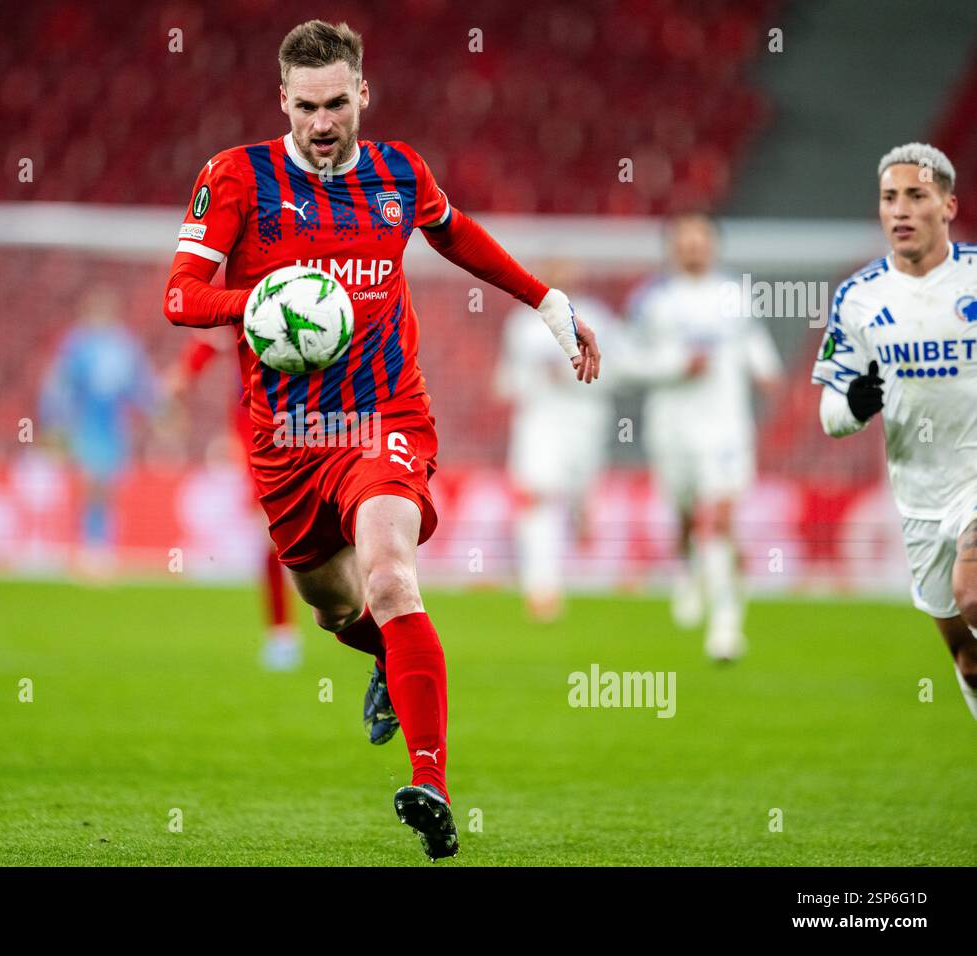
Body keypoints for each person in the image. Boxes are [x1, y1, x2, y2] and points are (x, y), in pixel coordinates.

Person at [162, 20, 600, 860]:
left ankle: (429, 783)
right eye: (305, 108)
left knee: (393, 578)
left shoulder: (400, 171)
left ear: (363, 93)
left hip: (383, 419)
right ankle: (386, 664)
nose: (322, 124)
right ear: (280, 102)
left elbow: (455, 232)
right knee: (335, 604)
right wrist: (256, 303)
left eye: (336, 104)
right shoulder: (236, 177)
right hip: (287, 434)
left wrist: (546, 302)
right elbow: (181, 297)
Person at [812, 142, 977, 721]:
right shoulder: (859, 298)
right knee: (968, 660)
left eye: (916, 195)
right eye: (889, 198)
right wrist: (854, 405)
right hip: (918, 495)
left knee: (975, 592)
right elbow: (831, 414)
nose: (900, 209)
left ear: (948, 205)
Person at [625, 214, 780, 661]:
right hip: (671, 426)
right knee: (687, 516)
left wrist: (765, 371)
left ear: (713, 245)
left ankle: (726, 627)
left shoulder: (735, 294)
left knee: (720, 516)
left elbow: (752, 342)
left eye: (701, 239)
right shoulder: (650, 300)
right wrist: (675, 366)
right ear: (672, 246)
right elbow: (627, 361)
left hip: (725, 426)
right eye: (685, 240)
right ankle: (690, 569)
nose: (694, 247)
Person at [165, 338, 303, 670]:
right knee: (269, 532)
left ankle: (366, 622)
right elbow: (215, 331)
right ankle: (281, 632)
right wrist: (188, 369)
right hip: (256, 423)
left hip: (310, 416)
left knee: (330, 531)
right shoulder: (246, 295)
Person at [496, 259, 623, 621]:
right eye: (554, 269)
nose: (562, 275)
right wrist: (532, 380)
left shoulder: (597, 317)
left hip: (586, 421)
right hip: (539, 421)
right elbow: (507, 380)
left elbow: (617, 370)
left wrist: (572, 375)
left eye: (567, 269)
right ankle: (542, 589)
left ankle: (582, 517)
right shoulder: (522, 323)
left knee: (577, 499)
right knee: (536, 497)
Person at [39, 285, 157, 573]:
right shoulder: (77, 344)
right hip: (86, 423)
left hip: (115, 425)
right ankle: (92, 547)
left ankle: (102, 546)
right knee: (92, 484)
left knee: (107, 487)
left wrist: (157, 410)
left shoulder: (124, 344)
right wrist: (55, 421)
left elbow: (140, 384)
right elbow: (60, 385)